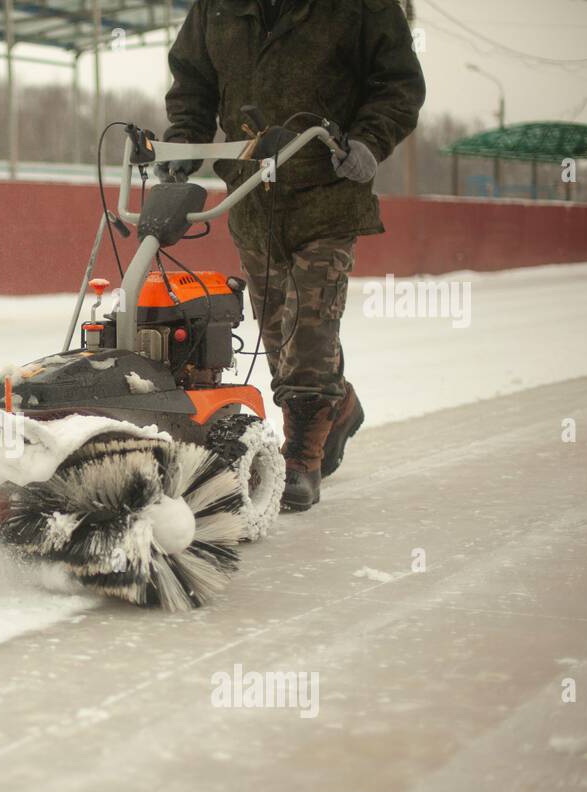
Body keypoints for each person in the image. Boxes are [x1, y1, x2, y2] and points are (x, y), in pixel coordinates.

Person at [158, 0, 425, 510]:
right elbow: (192, 79)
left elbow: (398, 84)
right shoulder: (217, 7)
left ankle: (302, 456)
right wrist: (185, 141)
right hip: (252, 195)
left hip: (328, 189)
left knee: (312, 327)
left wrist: (370, 140)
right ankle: (339, 406)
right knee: (278, 331)